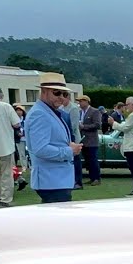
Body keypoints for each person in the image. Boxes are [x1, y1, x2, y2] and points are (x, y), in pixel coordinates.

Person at [24, 72, 81, 203]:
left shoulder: (50, 112)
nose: (61, 97)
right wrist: (69, 151)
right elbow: (41, 149)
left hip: (57, 180)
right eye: (56, 93)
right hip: (50, 181)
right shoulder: (39, 114)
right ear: (44, 91)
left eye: (65, 94)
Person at [113, 96, 133, 197]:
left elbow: (125, 128)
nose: (126, 106)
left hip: (132, 146)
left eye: (127, 104)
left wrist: (113, 123)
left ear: (132, 105)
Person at [75, 94, 103, 187]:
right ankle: (92, 178)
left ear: (87, 101)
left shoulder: (94, 111)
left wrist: (84, 127)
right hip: (83, 140)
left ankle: (96, 178)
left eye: (81, 101)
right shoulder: (80, 112)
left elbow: (97, 125)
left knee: (93, 160)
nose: (79, 103)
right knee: (88, 160)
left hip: (92, 141)